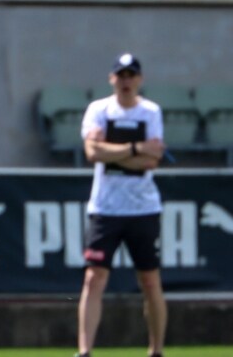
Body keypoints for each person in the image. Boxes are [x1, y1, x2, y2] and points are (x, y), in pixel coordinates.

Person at [76, 53, 168, 357]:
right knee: (94, 276)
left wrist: (112, 150)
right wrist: (134, 148)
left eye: (132, 75)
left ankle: (156, 350)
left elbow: (152, 160)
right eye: (121, 75)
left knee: (150, 280)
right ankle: (85, 350)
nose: (126, 80)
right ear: (112, 78)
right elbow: (93, 153)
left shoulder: (150, 112)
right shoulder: (98, 110)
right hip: (105, 207)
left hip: (143, 208)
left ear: (139, 79)